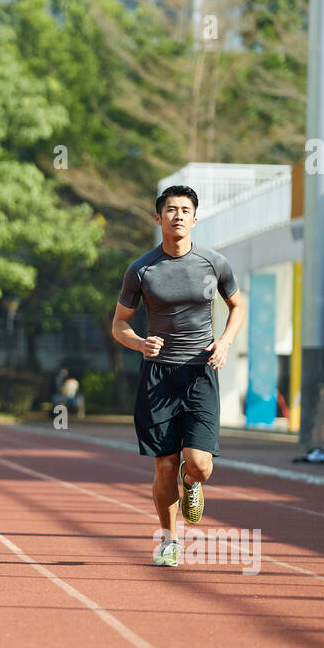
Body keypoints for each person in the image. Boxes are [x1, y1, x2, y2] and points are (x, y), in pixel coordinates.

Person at [111, 185, 246, 567]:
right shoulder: (142, 269)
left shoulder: (213, 263)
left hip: (200, 371)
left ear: (195, 218)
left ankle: (192, 483)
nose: (179, 216)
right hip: (158, 376)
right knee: (164, 463)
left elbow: (237, 305)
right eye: (171, 210)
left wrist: (224, 342)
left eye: (186, 210)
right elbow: (119, 324)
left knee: (199, 463)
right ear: (158, 218)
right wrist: (139, 344)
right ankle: (169, 539)